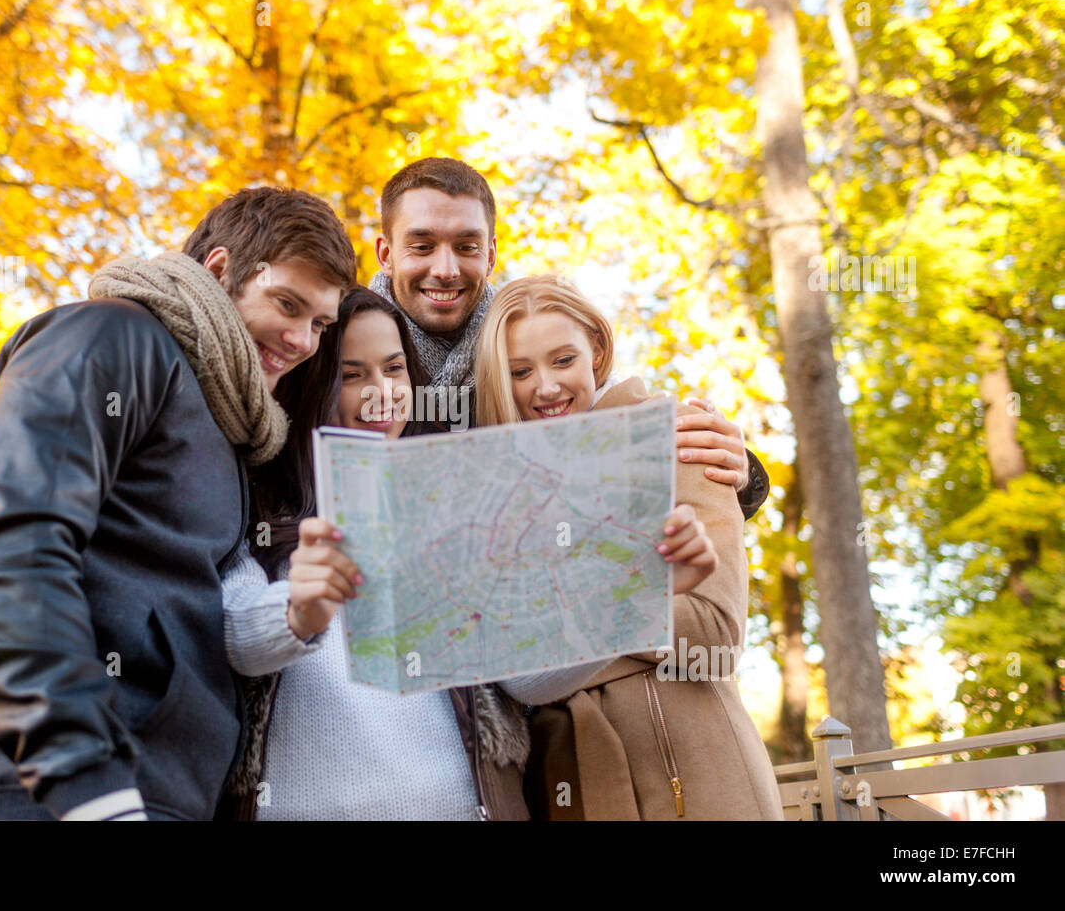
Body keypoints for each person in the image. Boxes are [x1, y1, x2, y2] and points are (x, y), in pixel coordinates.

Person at [0, 187, 356, 821]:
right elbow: (3, 555)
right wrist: (86, 784)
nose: (301, 340)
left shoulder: (228, 426)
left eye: (319, 324)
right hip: (49, 794)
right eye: (287, 304)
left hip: (160, 797)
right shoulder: (111, 336)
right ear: (218, 269)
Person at [215, 287, 721, 820]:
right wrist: (298, 613)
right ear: (309, 380)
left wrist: (640, 585)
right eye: (352, 373)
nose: (381, 392)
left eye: (394, 368)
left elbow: (522, 674)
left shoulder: (448, 504)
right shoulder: (252, 507)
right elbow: (235, 635)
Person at [473, 273, 783, 820]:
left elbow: (712, 629)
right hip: (565, 779)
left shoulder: (679, 437)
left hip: (692, 775)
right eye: (521, 371)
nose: (545, 387)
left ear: (595, 349)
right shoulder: (505, 494)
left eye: (563, 360)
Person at [370, 156, 769, 515]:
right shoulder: (337, 348)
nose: (446, 268)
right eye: (421, 246)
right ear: (386, 254)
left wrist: (741, 473)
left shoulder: (522, 338)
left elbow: (613, 427)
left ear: (490, 255)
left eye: (466, 246)